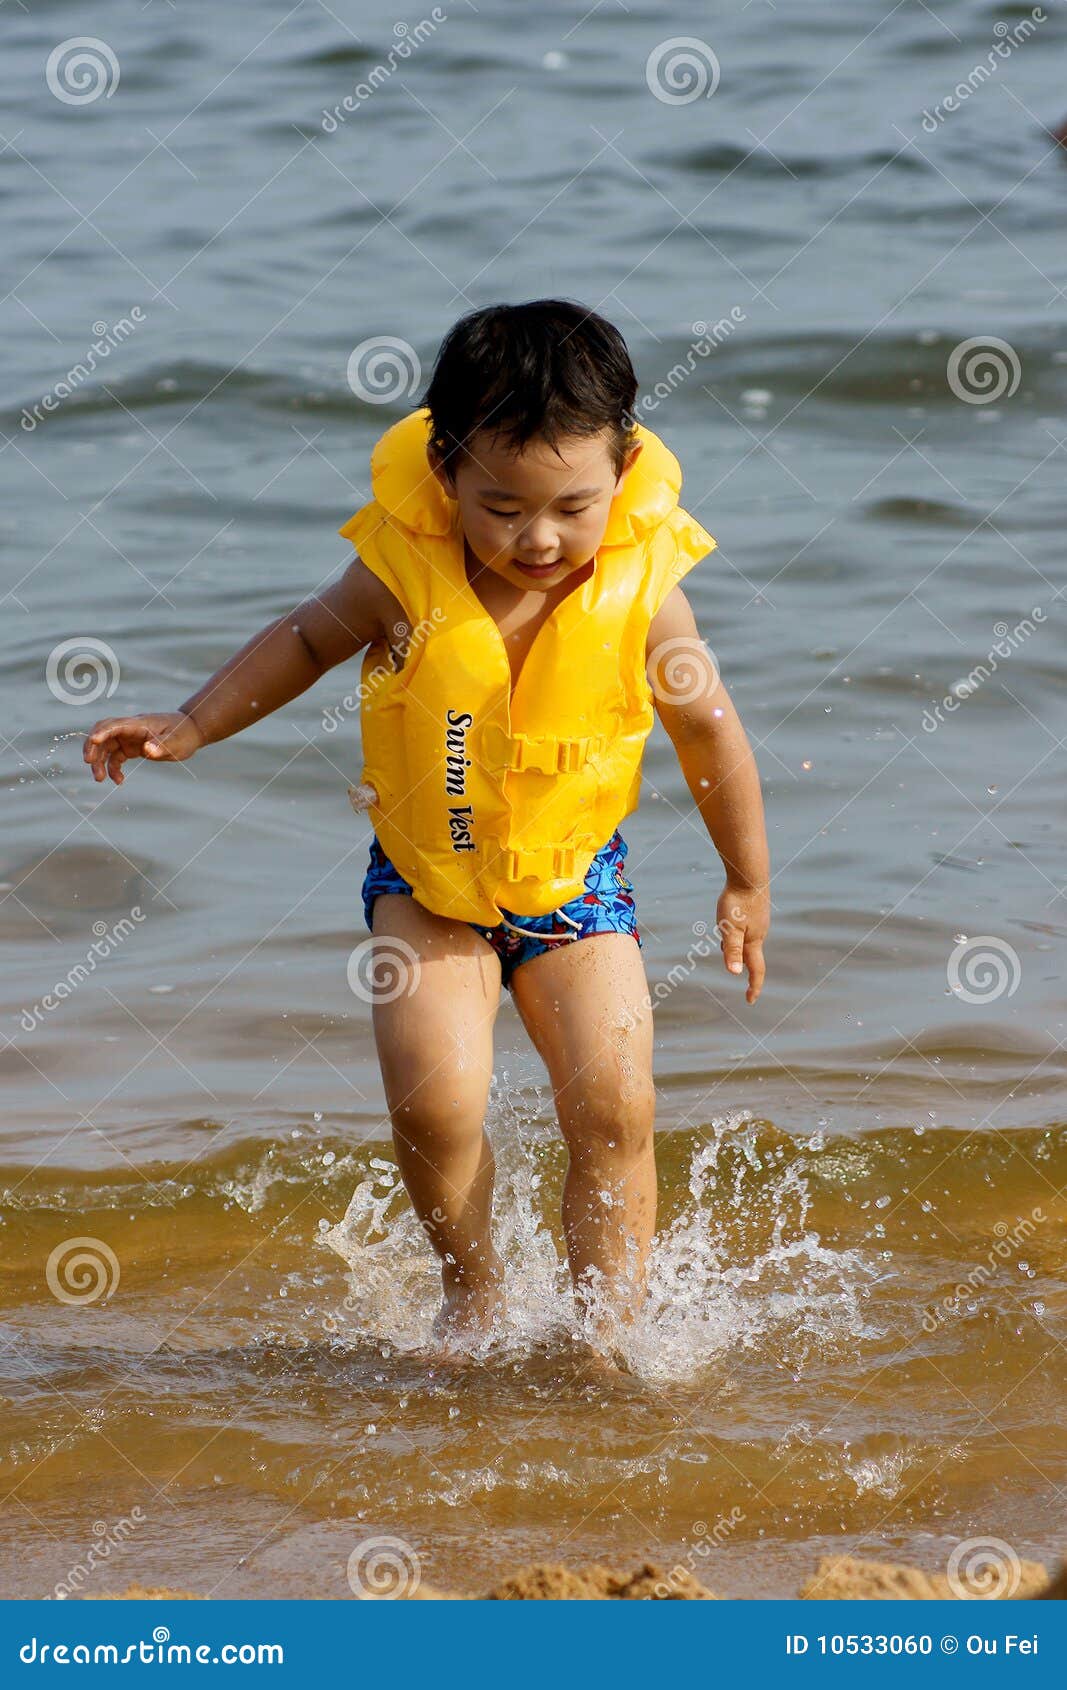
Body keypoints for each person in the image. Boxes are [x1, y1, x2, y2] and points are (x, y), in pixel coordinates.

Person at [83, 299, 770, 1352]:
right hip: (425, 887)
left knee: (615, 1109)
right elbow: (305, 639)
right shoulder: (402, 571)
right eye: (500, 508)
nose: (537, 538)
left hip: (577, 882)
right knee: (437, 1105)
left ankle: (608, 1334)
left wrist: (744, 880)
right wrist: (191, 722)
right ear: (444, 471)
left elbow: (709, 738)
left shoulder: (646, 598)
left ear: (624, 473)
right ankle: (474, 1290)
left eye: (572, 507)